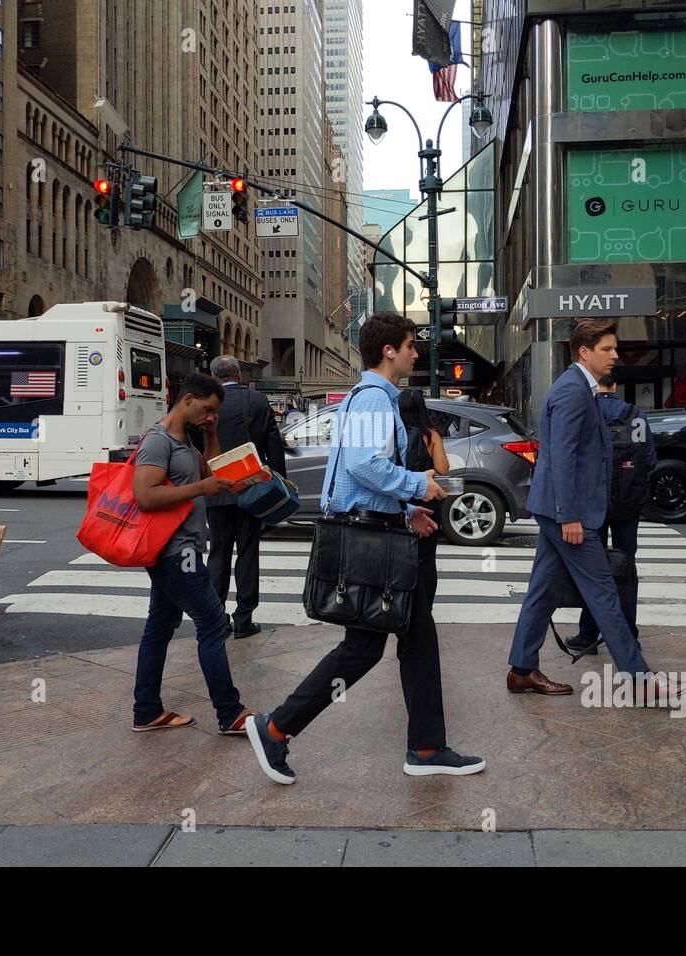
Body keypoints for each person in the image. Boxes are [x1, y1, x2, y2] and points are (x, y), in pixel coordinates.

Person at [245, 313, 485, 784]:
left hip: (380, 531)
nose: (417, 353)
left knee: (411, 640)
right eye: (411, 345)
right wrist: (418, 485)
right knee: (366, 648)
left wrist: (405, 510)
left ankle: (425, 746)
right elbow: (363, 466)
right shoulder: (375, 400)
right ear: (389, 351)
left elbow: (360, 475)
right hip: (372, 543)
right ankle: (275, 728)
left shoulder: (367, 398)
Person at [507, 319, 686, 704]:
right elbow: (560, 457)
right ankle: (642, 681)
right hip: (568, 512)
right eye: (607, 349)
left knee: (542, 593)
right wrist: (569, 515)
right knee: (604, 593)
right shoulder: (573, 392)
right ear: (584, 351)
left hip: (559, 509)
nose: (616, 355)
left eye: (615, 348)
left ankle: (522, 670)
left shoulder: (581, 389)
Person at [130, 372, 256, 736]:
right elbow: (145, 495)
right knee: (214, 623)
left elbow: (211, 471)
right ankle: (229, 712)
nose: (210, 416)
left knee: (159, 628)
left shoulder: (185, 440)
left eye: (214, 413)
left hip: (179, 548)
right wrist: (201, 487)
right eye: (207, 410)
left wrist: (212, 435)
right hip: (175, 552)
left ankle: (146, 711)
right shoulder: (158, 442)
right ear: (187, 399)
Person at [566, 374, 657, 655]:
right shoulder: (636, 415)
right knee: (626, 567)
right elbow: (650, 460)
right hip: (628, 505)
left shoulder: (587, 413)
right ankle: (629, 634)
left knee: (594, 569)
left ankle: (588, 633)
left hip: (594, 504)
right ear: (615, 386)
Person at [205, 355, 287, 639]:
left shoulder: (207, 404)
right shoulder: (257, 401)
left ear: (214, 376)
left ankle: (216, 617)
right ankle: (244, 619)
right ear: (239, 375)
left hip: (216, 489)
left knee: (218, 553)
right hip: (251, 488)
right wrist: (278, 480)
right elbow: (272, 443)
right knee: (248, 553)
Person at [398, 388, 450, 607]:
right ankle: (425, 604)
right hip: (427, 501)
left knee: (401, 555)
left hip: (401, 499)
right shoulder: (431, 435)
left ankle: (402, 602)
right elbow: (443, 468)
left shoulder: (394, 433)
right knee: (427, 559)